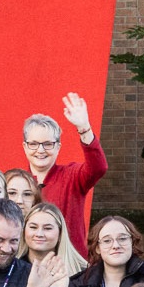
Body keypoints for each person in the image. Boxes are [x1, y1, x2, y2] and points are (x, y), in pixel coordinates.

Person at [21, 96, 107, 258]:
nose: (40, 150)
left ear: (58, 147)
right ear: (25, 146)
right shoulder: (18, 183)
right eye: (33, 144)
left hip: (70, 264)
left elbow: (98, 168)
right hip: (27, 263)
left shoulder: (72, 176)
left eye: (48, 144)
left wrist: (84, 128)